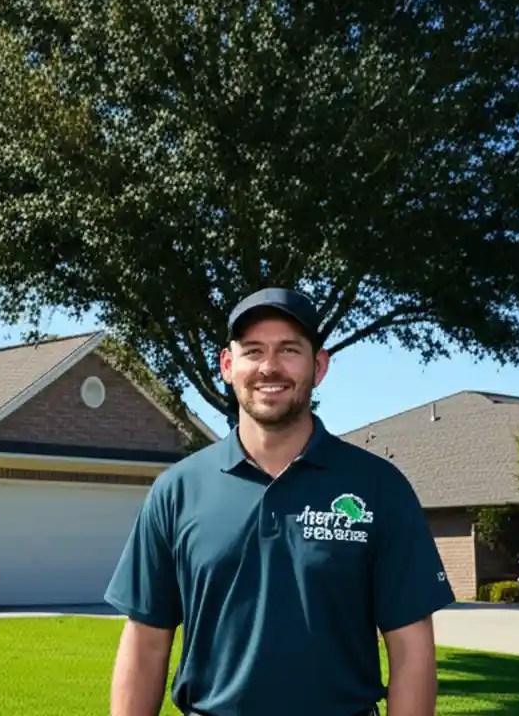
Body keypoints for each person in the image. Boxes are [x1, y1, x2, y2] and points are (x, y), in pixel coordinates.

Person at [105, 287, 455, 716]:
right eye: (253, 351)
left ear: (318, 366)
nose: (270, 366)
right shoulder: (177, 490)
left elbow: (412, 650)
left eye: (289, 349)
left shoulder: (379, 488)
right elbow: (145, 642)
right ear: (228, 366)